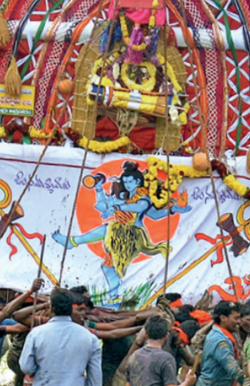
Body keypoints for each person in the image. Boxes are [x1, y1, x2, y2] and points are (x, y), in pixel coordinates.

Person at [52, 162, 190, 304]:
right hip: (117, 233)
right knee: (108, 265)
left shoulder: (143, 196)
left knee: (110, 238)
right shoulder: (122, 196)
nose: (127, 184)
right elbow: (102, 206)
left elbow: (145, 209)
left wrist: (173, 209)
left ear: (137, 182)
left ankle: (74, 242)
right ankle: (114, 298)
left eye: (130, 181)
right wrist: (99, 190)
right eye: (125, 181)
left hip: (131, 234)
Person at [20, 287, 103, 386]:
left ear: (51, 308)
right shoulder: (90, 337)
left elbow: (26, 367)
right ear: (71, 309)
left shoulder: (36, 334)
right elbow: (95, 378)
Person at [124, 316, 195, 386]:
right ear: (166, 336)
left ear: (146, 335)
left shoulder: (133, 356)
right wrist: (187, 382)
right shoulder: (166, 359)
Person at [197, 300, 243, 386]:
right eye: (236, 318)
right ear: (223, 318)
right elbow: (233, 368)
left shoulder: (218, 334)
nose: (239, 322)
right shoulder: (220, 341)